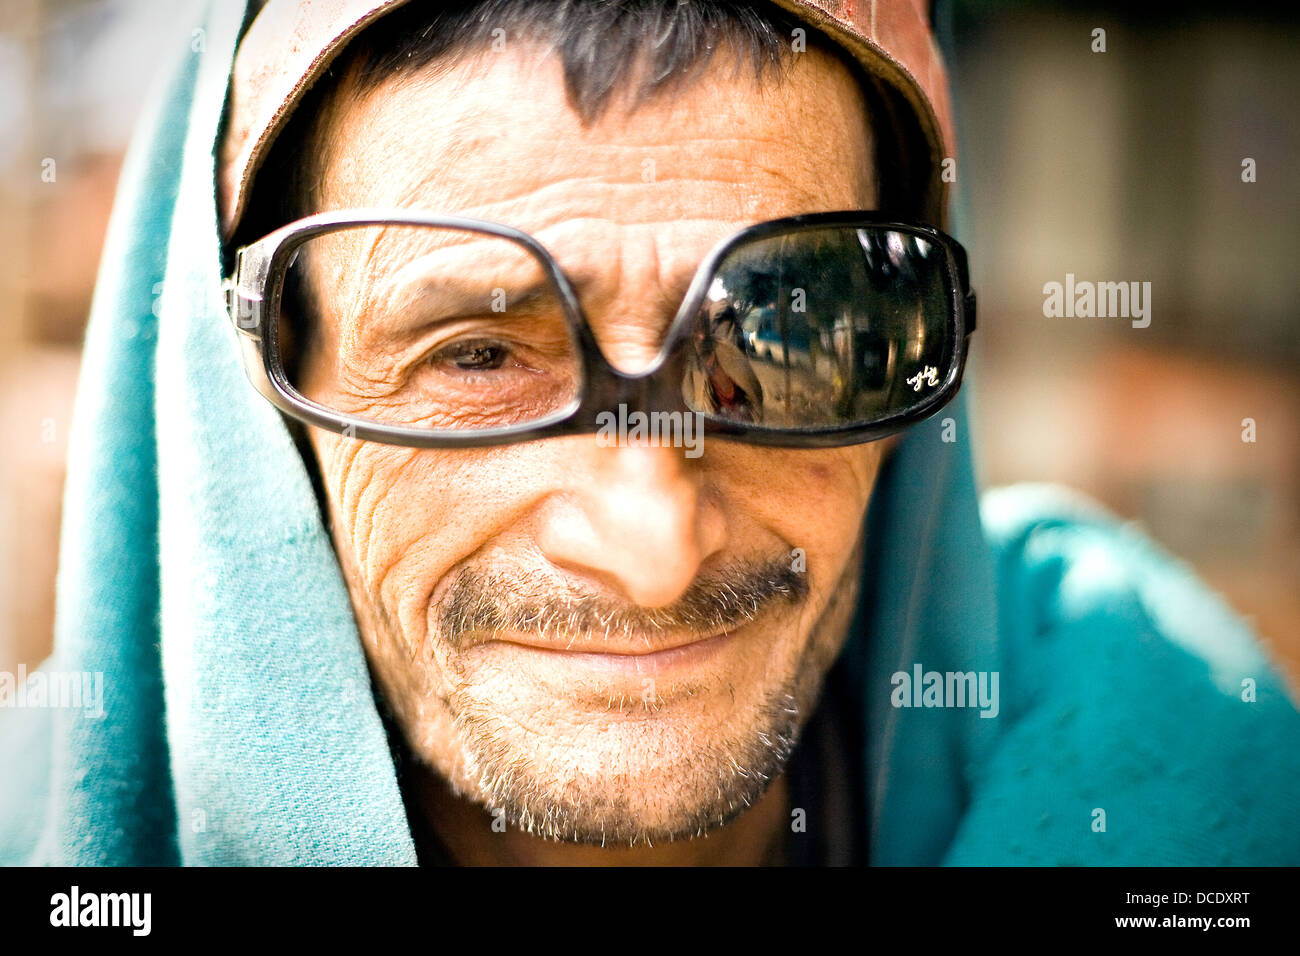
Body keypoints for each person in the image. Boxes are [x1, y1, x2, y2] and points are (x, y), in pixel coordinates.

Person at [1, 0, 1297, 867]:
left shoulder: (1187, 778)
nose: (654, 551)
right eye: (478, 357)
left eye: (783, 334)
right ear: (254, 395)